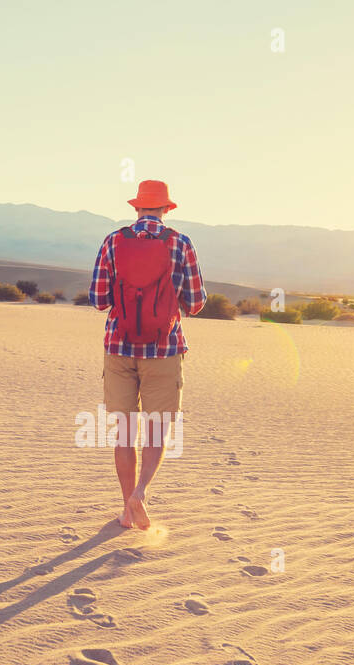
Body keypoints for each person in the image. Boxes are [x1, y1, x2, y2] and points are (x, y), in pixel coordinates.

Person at [88, 180, 206, 530]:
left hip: (118, 347)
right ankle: (140, 493)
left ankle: (127, 509)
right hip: (164, 348)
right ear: (166, 209)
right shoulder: (181, 243)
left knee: (124, 432)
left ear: (136, 207)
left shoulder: (113, 241)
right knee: (156, 430)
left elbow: (98, 300)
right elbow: (196, 303)